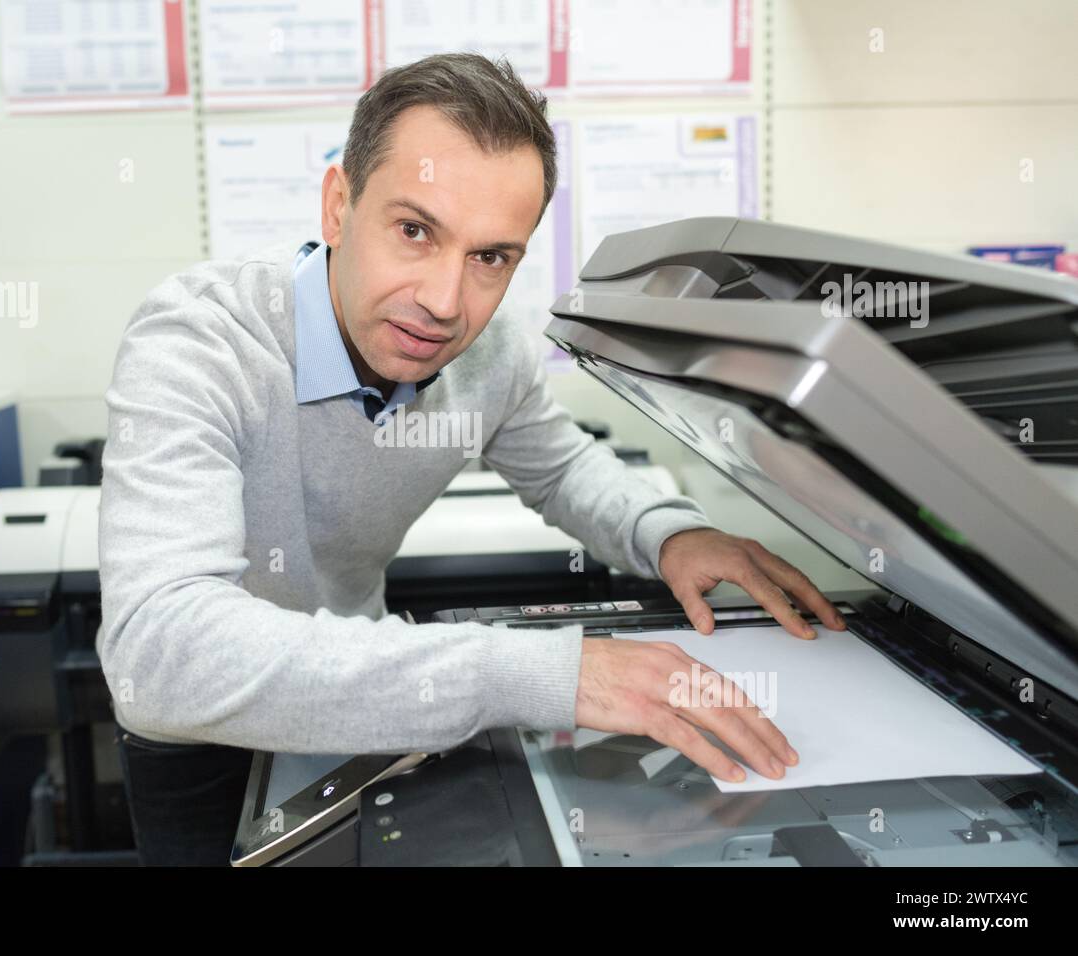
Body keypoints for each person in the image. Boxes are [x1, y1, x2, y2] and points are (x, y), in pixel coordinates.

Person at [99, 53, 847, 865]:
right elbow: (162, 653)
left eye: (491, 257)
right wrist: (555, 675)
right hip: (202, 745)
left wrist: (670, 536)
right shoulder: (199, 340)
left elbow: (561, 468)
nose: (446, 303)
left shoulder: (491, 357)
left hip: (366, 701)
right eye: (415, 231)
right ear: (339, 206)